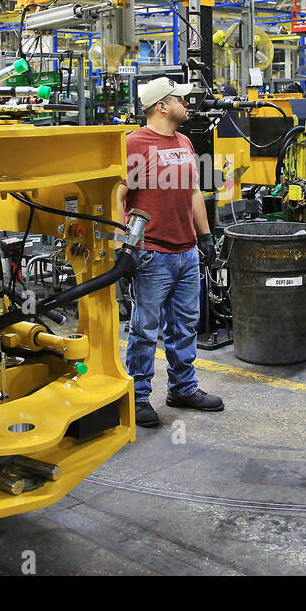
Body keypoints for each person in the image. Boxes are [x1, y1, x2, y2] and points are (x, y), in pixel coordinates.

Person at [115, 77, 223, 428]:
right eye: (180, 99)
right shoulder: (133, 144)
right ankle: (138, 397)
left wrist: (205, 237)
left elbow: (192, 192)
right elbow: (118, 196)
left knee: (185, 326)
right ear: (162, 105)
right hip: (152, 253)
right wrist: (121, 246)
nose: (186, 104)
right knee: (145, 329)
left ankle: (183, 388)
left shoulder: (185, 141)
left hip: (186, 251)